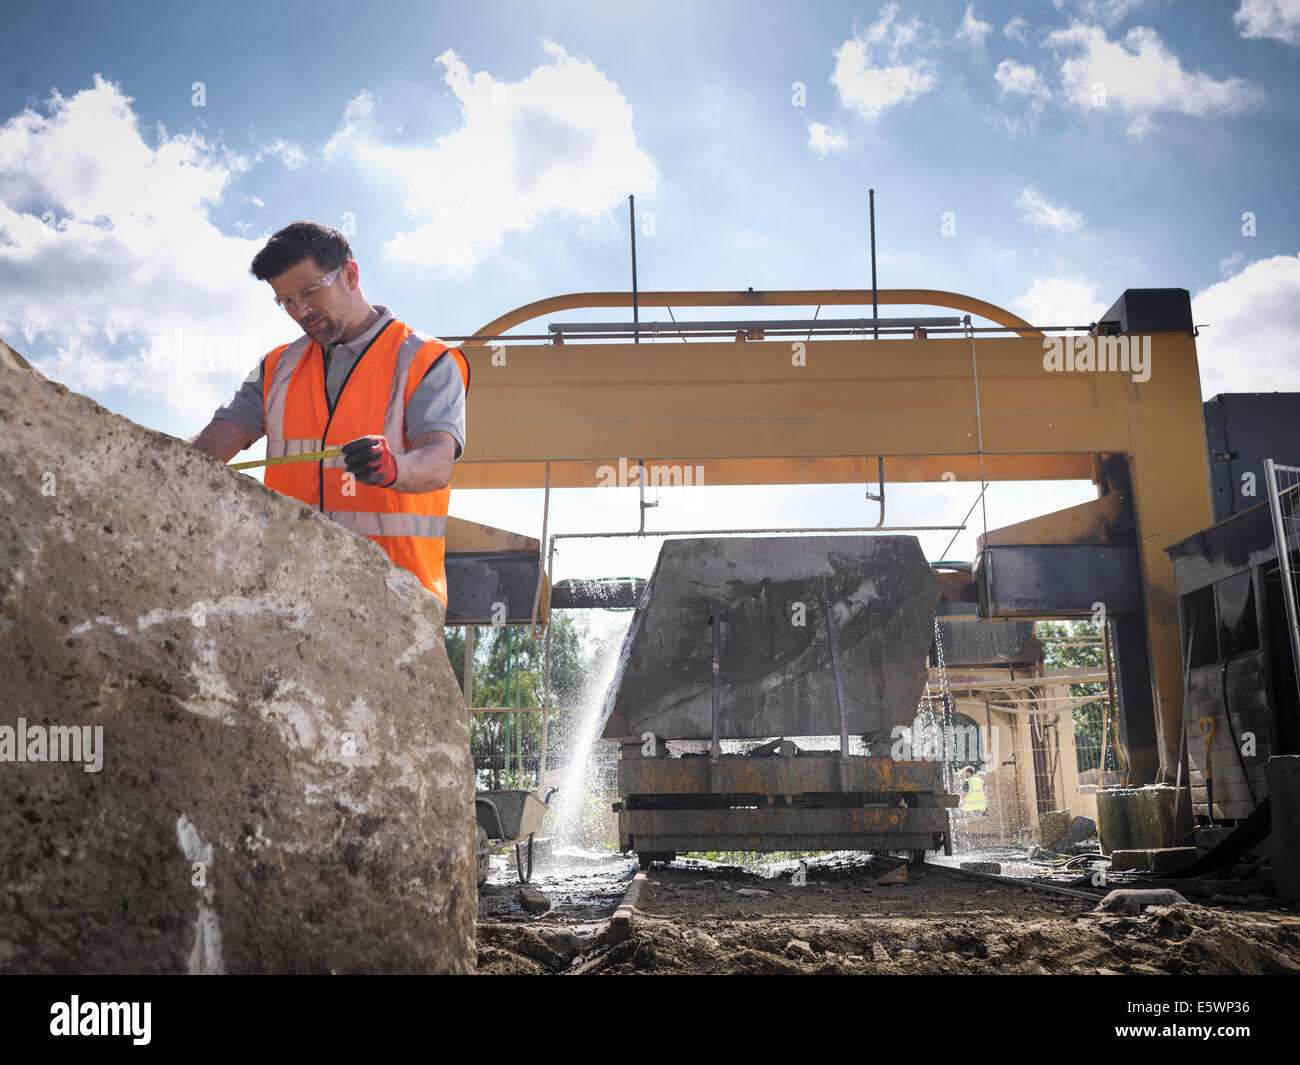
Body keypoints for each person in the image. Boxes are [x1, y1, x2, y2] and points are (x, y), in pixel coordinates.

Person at [190, 221, 469, 607]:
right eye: (285, 301)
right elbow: (207, 447)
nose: (300, 311)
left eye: (309, 291)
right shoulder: (276, 367)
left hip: (396, 603)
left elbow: (438, 463)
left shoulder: (428, 360)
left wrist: (393, 468)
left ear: (350, 275)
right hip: (289, 596)